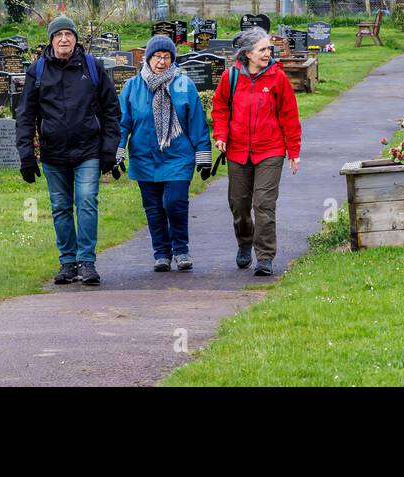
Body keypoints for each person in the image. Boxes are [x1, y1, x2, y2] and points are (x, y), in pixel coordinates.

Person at [15, 15, 121, 286]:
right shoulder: (37, 71)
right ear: (51, 40)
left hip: (88, 151)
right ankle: (67, 262)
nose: (64, 39)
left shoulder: (92, 68)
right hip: (54, 154)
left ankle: (87, 262)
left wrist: (109, 150)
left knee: (86, 202)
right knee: (61, 207)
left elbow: (111, 110)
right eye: (58, 35)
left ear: (76, 38)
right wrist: (27, 155)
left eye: (69, 34)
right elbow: (26, 115)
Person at [116, 34, 213, 272]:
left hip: (178, 157)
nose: (162, 61)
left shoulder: (183, 84)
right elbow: (122, 122)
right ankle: (161, 253)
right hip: (144, 157)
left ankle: (181, 250)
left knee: (174, 203)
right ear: (148, 58)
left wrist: (203, 151)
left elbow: (196, 121)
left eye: (167, 57)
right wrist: (117, 149)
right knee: (153, 208)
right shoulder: (133, 86)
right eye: (157, 56)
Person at [212, 27, 302, 277]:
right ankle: (244, 242)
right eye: (262, 49)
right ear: (248, 53)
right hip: (238, 151)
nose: (267, 53)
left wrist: (293, 151)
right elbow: (220, 107)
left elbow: (290, 117)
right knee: (239, 205)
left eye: (269, 49)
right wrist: (220, 135)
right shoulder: (231, 77)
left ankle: (265, 257)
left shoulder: (277, 78)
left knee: (263, 204)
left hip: (270, 151)